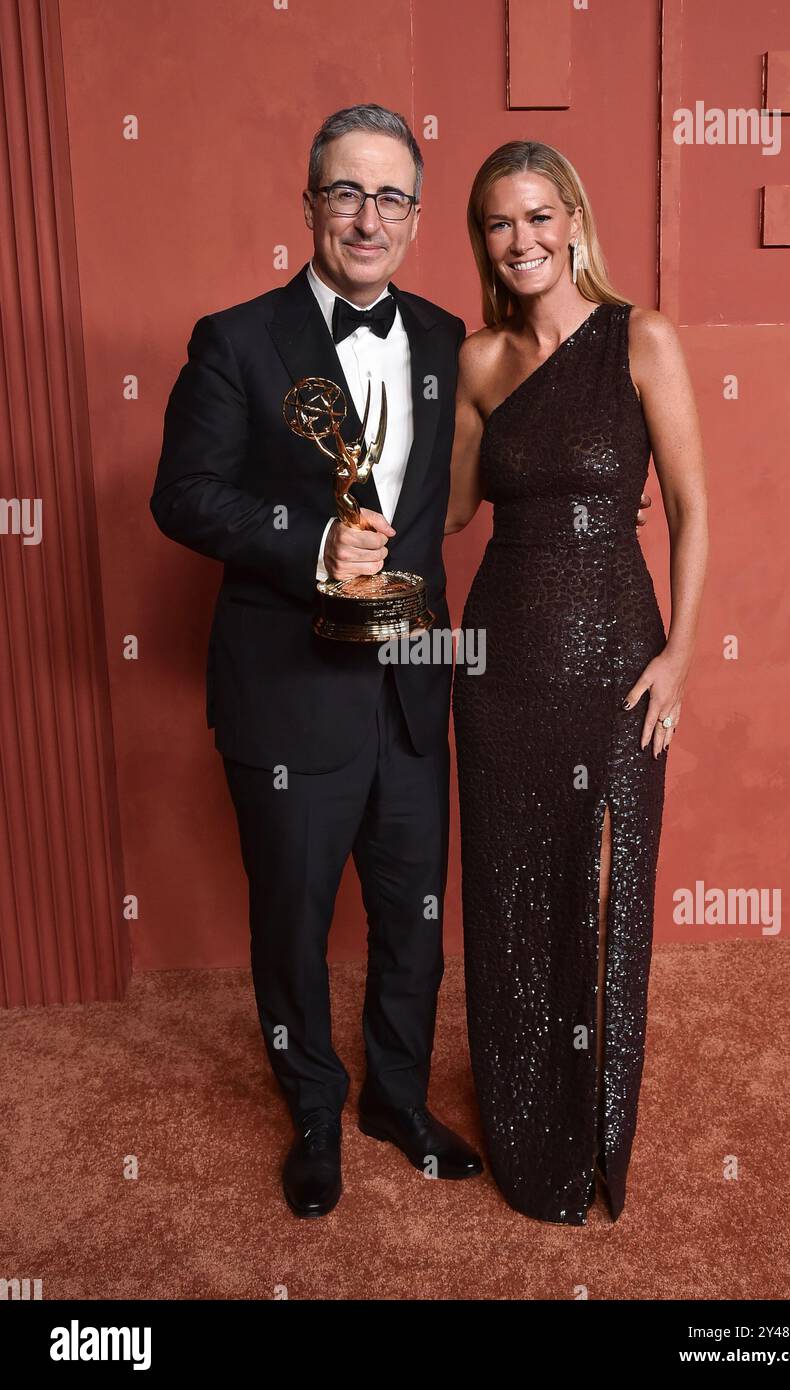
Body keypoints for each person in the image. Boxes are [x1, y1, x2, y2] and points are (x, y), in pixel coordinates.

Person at [149, 105, 489, 1218]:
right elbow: (181, 495)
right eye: (346, 191)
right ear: (309, 204)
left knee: (414, 915)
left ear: (417, 216)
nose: (368, 216)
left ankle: (394, 1096)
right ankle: (312, 1109)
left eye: (391, 196)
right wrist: (312, 546)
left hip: (410, 692)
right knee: (291, 923)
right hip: (289, 694)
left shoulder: (446, 338)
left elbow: (463, 491)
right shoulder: (235, 338)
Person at [448, 141, 708, 1224]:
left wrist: (681, 653)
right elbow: (452, 513)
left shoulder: (641, 337)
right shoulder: (475, 362)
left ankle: (599, 1127)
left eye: (539, 217)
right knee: (512, 891)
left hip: (617, 655)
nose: (523, 241)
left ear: (574, 220)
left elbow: (693, 510)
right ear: (484, 241)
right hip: (501, 656)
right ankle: (527, 1127)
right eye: (501, 224)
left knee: (609, 887)